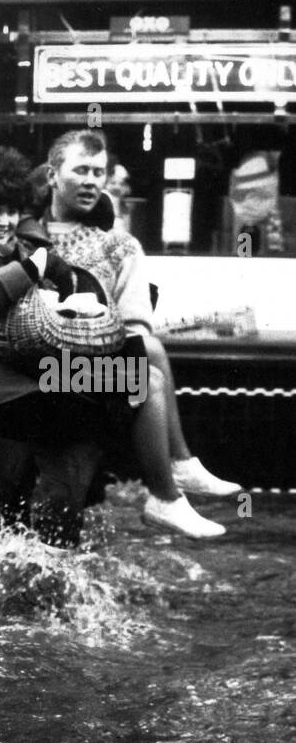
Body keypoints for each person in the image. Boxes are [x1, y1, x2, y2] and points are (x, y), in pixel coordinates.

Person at [0, 143, 223, 546]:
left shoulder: (18, 242)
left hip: (45, 382)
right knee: (3, 521)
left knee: (145, 378)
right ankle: (166, 490)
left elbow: (35, 230)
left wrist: (67, 290)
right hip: (13, 396)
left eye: (11, 211)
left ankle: (167, 488)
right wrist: (31, 268)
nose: (6, 221)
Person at [38, 130, 241, 516]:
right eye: (80, 170)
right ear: (52, 175)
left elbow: (135, 328)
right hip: (31, 373)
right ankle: (174, 477)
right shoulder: (25, 235)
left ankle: (172, 482)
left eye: (99, 172)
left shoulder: (121, 245)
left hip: (83, 376)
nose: (91, 181)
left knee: (146, 362)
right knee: (148, 365)